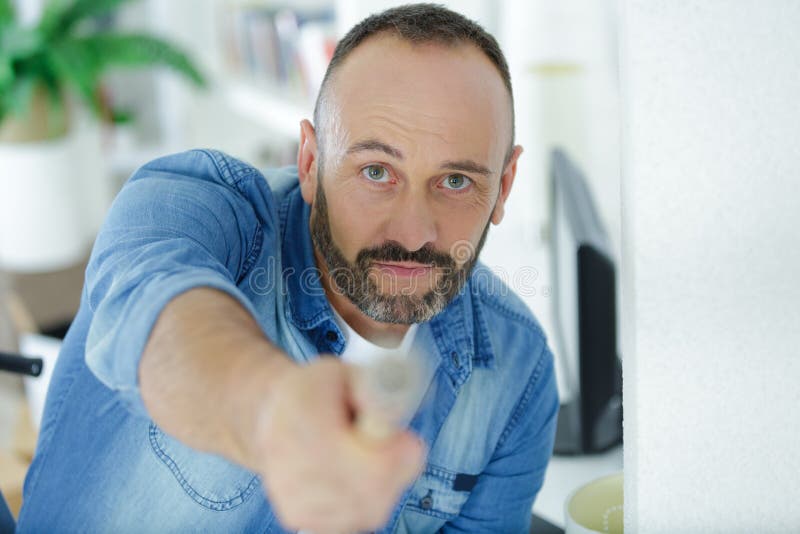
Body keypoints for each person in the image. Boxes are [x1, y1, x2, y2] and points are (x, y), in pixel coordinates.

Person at [16, 3, 558, 533]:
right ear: (309, 162)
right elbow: (163, 324)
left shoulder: (518, 371)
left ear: (503, 186)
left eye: (456, 181)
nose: (414, 234)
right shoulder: (193, 208)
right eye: (376, 171)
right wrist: (270, 412)